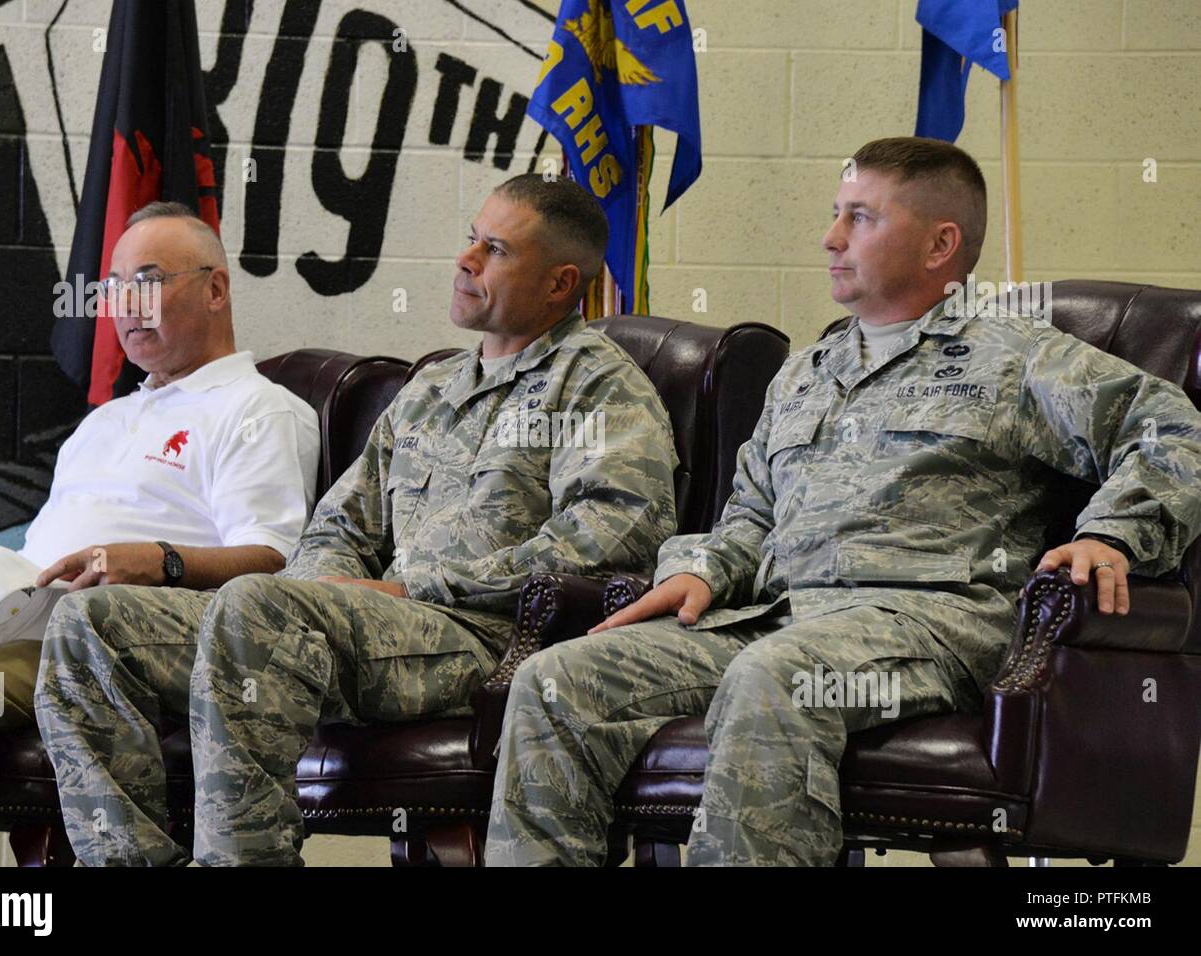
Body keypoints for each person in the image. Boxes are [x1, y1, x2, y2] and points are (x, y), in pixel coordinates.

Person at [485, 136, 1201, 866]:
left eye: (859, 218)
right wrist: (701, 572)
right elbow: (750, 517)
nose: (829, 238)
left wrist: (1114, 533)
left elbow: (1173, 429)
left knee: (776, 678)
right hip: (775, 620)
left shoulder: (1017, 358)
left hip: (928, 624)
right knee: (556, 680)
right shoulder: (806, 374)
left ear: (939, 244)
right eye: (835, 214)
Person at [34, 173, 680, 866]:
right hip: (358, 629)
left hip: (483, 639)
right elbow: (339, 528)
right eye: (471, 239)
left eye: (495, 250)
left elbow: (613, 534)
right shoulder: (430, 389)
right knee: (89, 626)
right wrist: (324, 589)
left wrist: (414, 590)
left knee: (257, 608)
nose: (465, 261)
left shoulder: (598, 385)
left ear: (559, 284)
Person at [0, 200, 320, 866]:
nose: (127, 304)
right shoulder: (102, 423)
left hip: (108, 645)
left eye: (148, 281)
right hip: (12, 616)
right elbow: (29, 564)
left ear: (215, 289)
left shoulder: (259, 410)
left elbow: (273, 561)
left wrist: (158, 561)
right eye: (115, 287)